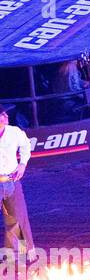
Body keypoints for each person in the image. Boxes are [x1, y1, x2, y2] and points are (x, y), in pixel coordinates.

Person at [0, 103, 34, 253]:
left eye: (5, 114)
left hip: (12, 181)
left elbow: (26, 145)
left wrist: (22, 164)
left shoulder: (14, 132)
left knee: (18, 218)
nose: (6, 116)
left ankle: (22, 253)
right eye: (2, 114)